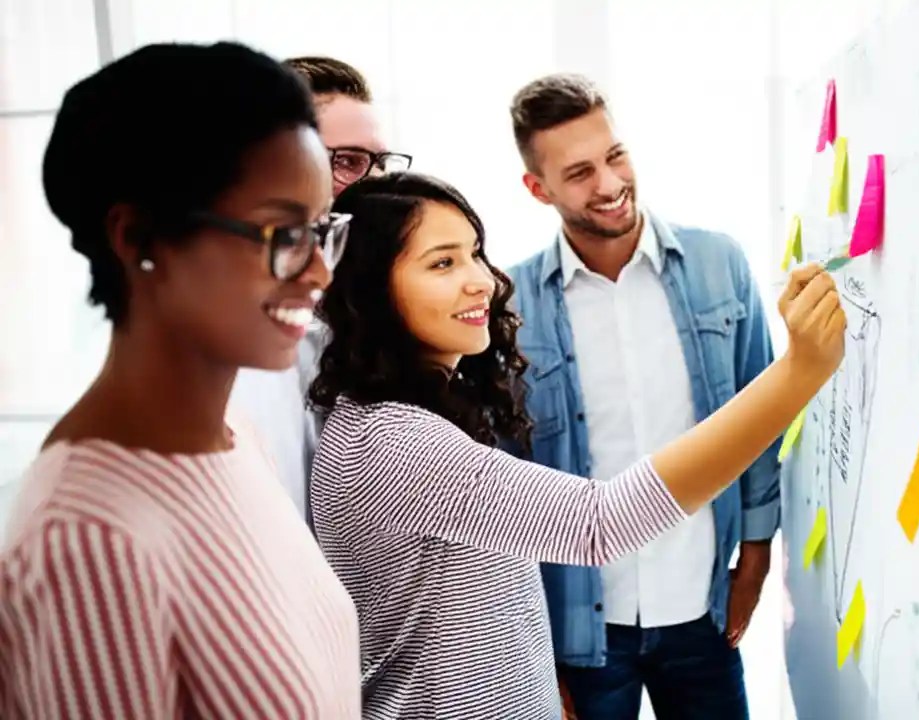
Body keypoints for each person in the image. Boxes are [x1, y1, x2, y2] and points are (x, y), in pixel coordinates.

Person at [307, 171, 844, 719]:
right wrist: (799, 373)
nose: (480, 281)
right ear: (370, 292)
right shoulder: (391, 440)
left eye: (474, 253)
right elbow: (599, 523)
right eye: (443, 263)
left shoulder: (421, 416)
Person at [0, 42, 360, 717]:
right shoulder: (86, 539)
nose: (318, 272)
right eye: (282, 233)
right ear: (137, 238)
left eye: (320, 231)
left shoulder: (235, 439)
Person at [505, 73, 779, 718]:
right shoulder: (508, 304)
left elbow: (762, 417)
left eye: (614, 155)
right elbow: (506, 483)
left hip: (701, 606)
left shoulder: (721, 265)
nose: (608, 184)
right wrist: (530, 647)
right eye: (578, 173)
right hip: (580, 629)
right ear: (537, 188)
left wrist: (758, 558)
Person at [229, 55, 412, 520]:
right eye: (349, 161)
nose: (375, 185)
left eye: (381, 165)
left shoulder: (358, 317)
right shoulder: (240, 356)